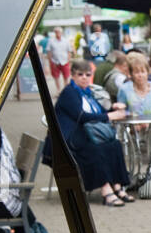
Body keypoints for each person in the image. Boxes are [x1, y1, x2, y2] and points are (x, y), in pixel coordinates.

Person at [54, 58, 134, 207]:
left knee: (114, 144)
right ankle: (106, 191)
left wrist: (113, 110)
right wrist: (110, 116)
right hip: (69, 138)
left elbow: (100, 112)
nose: (84, 77)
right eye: (80, 74)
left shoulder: (87, 93)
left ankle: (117, 186)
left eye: (87, 74)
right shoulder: (69, 93)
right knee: (95, 149)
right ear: (72, 75)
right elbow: (81, 117)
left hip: (86, 134)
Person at [46, 27, 71, 91]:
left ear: (61, 33)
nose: (58, 33)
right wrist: (50, 61)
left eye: (59, 32)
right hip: (55, 61)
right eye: (56, 32)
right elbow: (49, 52)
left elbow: (69, 51)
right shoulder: (51, 41)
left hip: (65, 61)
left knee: (66, 76)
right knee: (56, 77)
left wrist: (68, 60)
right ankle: (58, 90)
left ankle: (65, 90)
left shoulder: (66, 41)